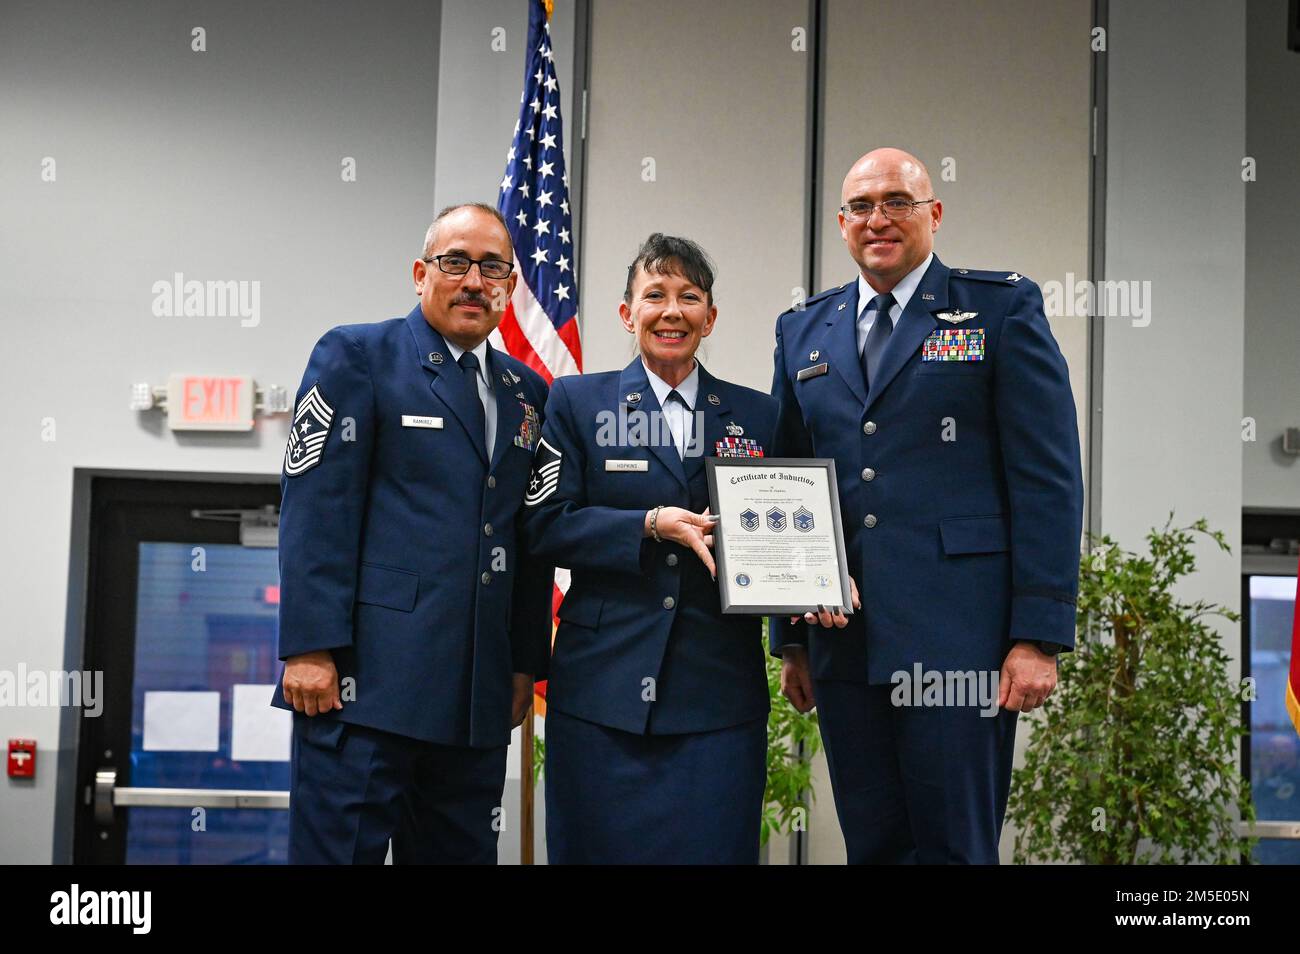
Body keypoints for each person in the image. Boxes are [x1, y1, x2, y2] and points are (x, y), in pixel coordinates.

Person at [770, 148, 1084, 863]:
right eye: (860, 207)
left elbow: (1049, 478)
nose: (877, 220)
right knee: (873, 848)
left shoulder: (1000, 308)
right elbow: (789, 480)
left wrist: (1038, 635)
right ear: (841, 223)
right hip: (844, 643)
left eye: (896, 203)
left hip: (959, 643)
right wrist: (791, 638)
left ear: (933, 215)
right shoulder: (803, 330)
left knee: (954, 848)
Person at [271, 203, 553, 864]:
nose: (475, 281)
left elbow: (526, 536)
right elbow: (315, 506)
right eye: (456, 263)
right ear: (421, 273)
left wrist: (522, 663)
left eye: (493, 268)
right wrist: (310, 646)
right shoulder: (359, 356)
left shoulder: (526, 392)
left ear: (510, 287)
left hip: (475, 704)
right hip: (364, 690)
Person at [523, 234, 782, 863]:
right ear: (626, 313)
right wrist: (647, 523)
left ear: (710, 317)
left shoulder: (761, 415)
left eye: (689, 297)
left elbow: (787, 536)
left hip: (717, 697)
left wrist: (808, 614)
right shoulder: (578, 403)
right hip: (602, 691)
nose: (672, 311)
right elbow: (543, 526)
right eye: (655, 295)